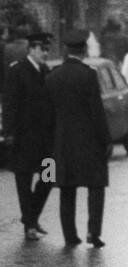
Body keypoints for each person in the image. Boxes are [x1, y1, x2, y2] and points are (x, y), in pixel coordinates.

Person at [46, 29, 109, 247]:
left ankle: (69, 235)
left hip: (63, 144)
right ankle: (93, 233)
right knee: (96, 187)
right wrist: (105, 140)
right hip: (89, 142)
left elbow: (49, 115)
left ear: (66, 50)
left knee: (66, 189)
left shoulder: (52, 77)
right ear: (82, 50)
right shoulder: (88, 75)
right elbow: (97, 112)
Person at [2, 30, 54, 241]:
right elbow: (9, 105)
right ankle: (30, 226)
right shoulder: (17, 71)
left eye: (48, 50)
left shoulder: (46, 71)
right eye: (42, 49)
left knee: (49, 177)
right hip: (23, 139)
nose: (46, 53)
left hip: (45, 140)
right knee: (24, 183)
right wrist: (9, 133)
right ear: (32, 49)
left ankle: (31, 217)